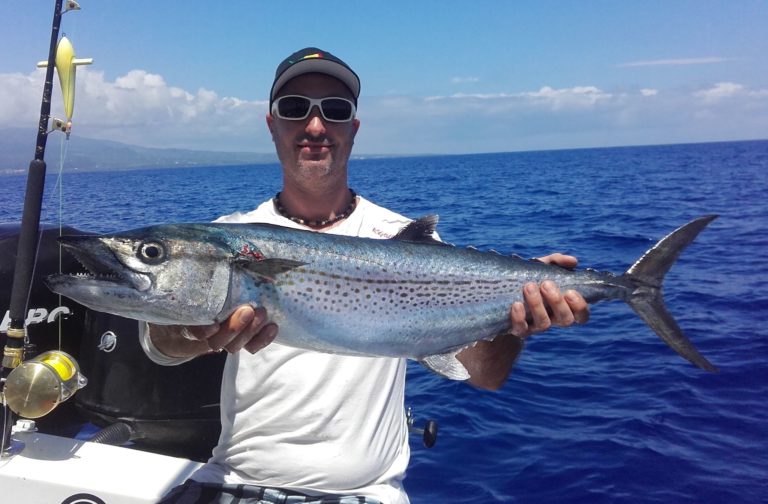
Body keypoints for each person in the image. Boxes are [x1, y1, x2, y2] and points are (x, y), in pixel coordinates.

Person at [143, 47, 589, 504]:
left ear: (352, 130)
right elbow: (160, 345)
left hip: (366, 495)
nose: (315, 127)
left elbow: (484, 376)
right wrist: (192, 327)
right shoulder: (227, 238)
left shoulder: (407, 244)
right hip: (234, 484)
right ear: (272, 124)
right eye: (295, 109)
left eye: (334, 111)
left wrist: (518, 319)